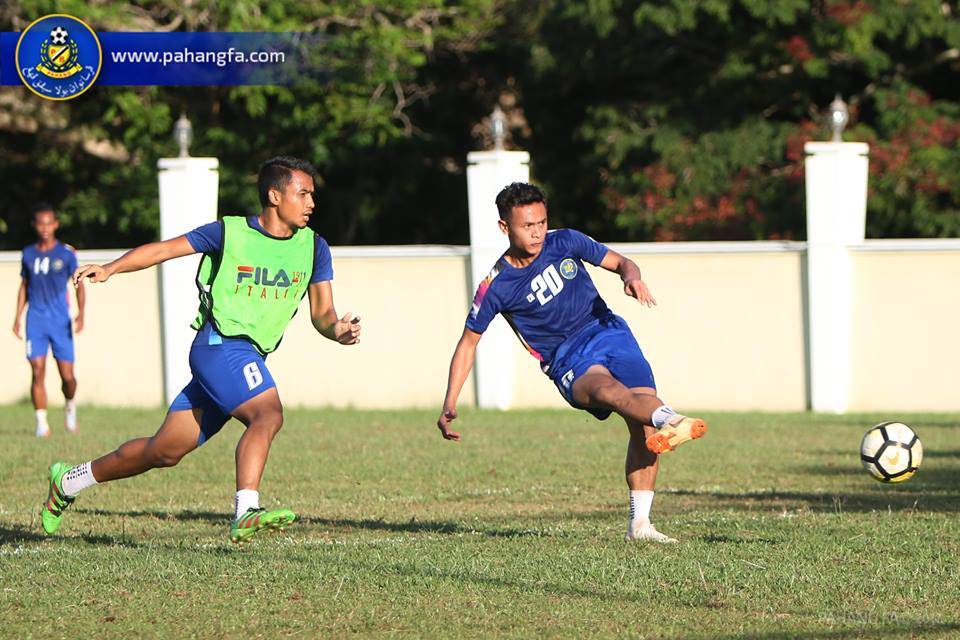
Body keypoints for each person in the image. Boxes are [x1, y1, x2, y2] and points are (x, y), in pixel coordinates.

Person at [39, 156, 361, 545]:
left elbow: (323, 313)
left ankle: (69, 481)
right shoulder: (229, 233)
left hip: (246, 357)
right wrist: (111, 268)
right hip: (219, 345)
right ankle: (246, 510)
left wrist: (337, 329)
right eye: (303, 193)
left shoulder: (314, 248)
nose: (312, 202)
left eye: (312, 194)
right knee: (267, 415)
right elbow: (163, 250)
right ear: (275, 195)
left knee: (163, 451)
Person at [436, 182, 706, 543]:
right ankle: (674, 420)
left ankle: (640, 525)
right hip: (570, 361)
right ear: (505, 228)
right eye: (527, 226)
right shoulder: (496, 286)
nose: (537, 232)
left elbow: (622, 262)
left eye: (541, 222)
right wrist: (450, 401)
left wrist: (632, 278)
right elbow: (468, 343)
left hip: (610, 333)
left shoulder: (565, 241)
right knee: (611, 393)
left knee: (642, 426)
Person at [12, 204, 85, 437]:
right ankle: (41, 423)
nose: (44, 228)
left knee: (68, 377)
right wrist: (17, 317)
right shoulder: (28, 254)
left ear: (55, 224)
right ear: (35, 226)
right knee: (37, 369)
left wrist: (81, 313)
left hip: (60, 321)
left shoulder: (66, 254)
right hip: (36, 321)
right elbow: (24, 286)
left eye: (48, 223)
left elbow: (79, 284)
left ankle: (70, 406)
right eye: (40, 223)